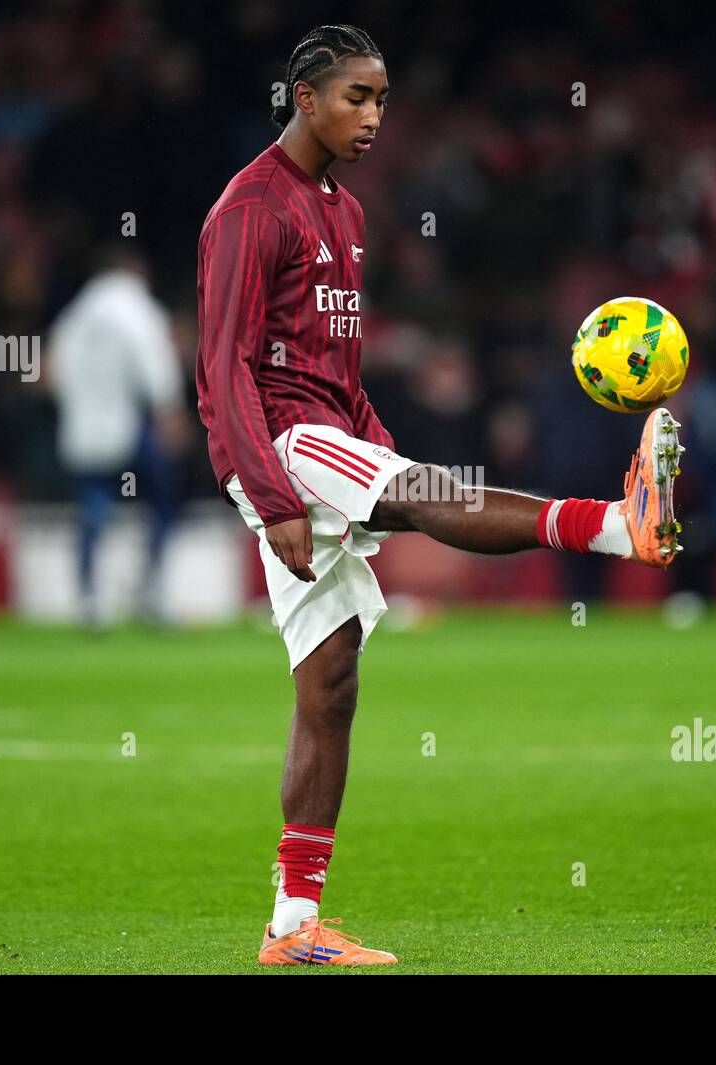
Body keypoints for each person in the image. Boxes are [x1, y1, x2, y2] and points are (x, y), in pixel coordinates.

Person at [197, 24, 684, 966]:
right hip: (284, 444)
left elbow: (339, 368)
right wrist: (270, 491)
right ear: (305, 97)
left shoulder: (343, 211)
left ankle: (293, 928)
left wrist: (369, 443)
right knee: (425, 494)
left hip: (326, 435)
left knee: (330, 684)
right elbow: (222, 371)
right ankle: (618, 526)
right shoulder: (251, 208)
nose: (375, 116)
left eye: (382, 98)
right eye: (356, 97)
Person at [49, 247, 189, 627]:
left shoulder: (73, 316)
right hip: (130, 425)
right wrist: (169, 409)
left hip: (83, 429)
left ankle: (90, 600)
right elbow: (154, 359)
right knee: (163, 502)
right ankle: (153, 591)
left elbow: (54, 372)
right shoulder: (136, 306)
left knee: (93, 510)